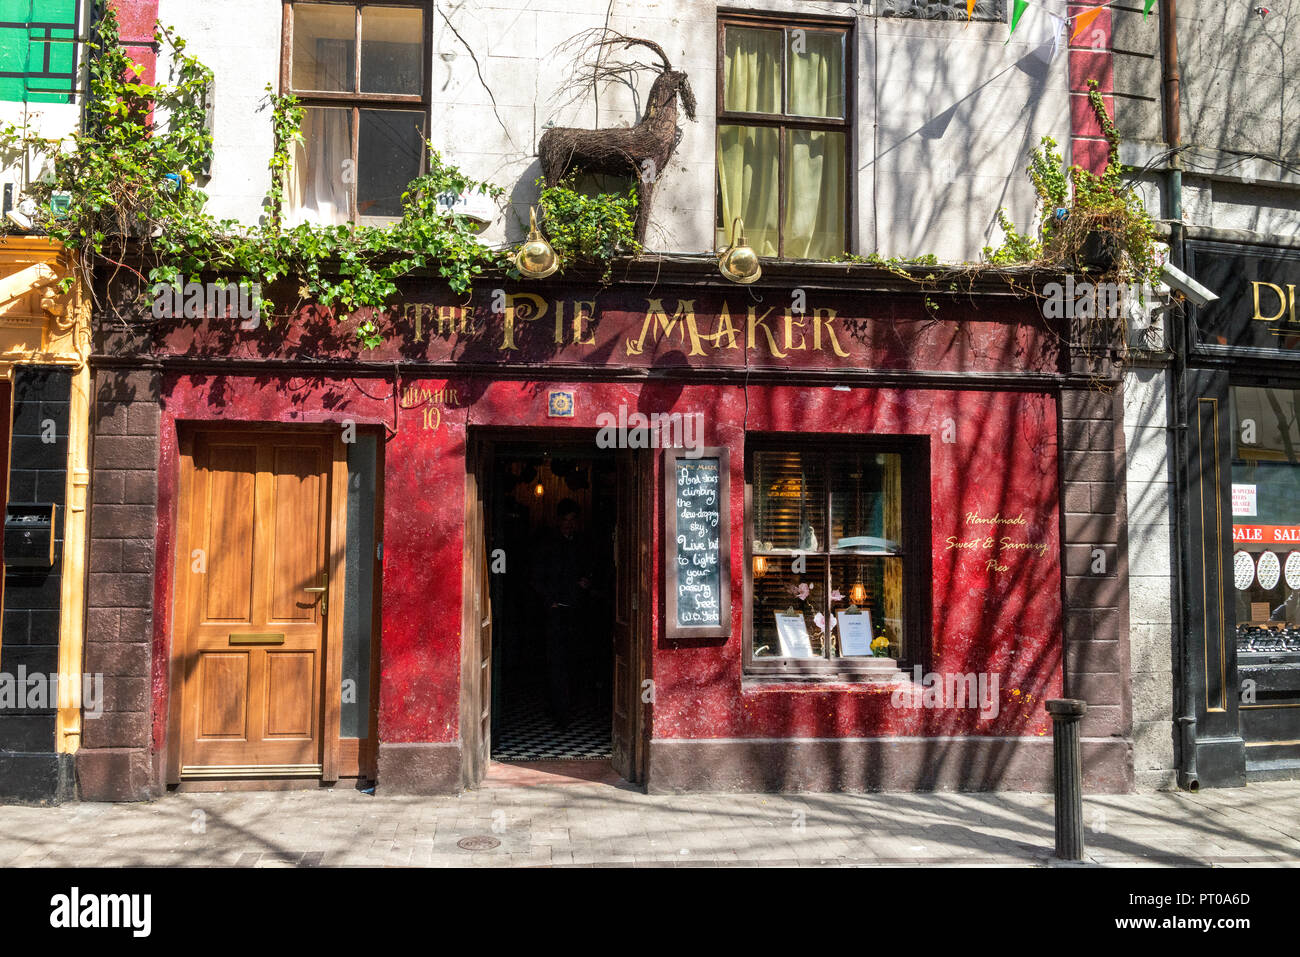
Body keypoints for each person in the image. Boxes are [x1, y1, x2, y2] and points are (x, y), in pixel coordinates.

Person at [531, 498, 594, 728]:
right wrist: (550, 602)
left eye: (572, 520)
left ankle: (571, 707)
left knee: (575, 661)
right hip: (555, 614)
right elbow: (536, 578)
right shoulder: (547, 545)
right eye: (565, 520)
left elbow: (594, 570)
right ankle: (559, 713)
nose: (569, 524)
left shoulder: (583, 544)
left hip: (578, 612)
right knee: (555, 663)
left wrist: (588, 582)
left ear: (577, 522)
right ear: (558, 521)